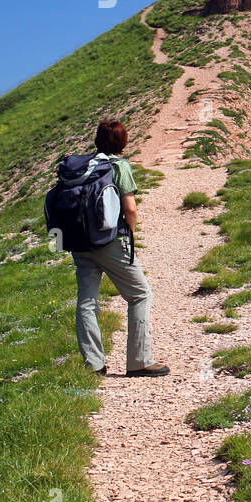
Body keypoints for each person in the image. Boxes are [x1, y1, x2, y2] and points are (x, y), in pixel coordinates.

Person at [72, 120, 169, 377]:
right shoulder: (118, 166)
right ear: (123, 142)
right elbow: (130, 208)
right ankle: (139, 361)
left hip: (79, 242)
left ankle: (93, 365)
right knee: (139, 294)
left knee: (87, 301)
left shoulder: (84, 166)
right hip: (110, 241)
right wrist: (130, 232)